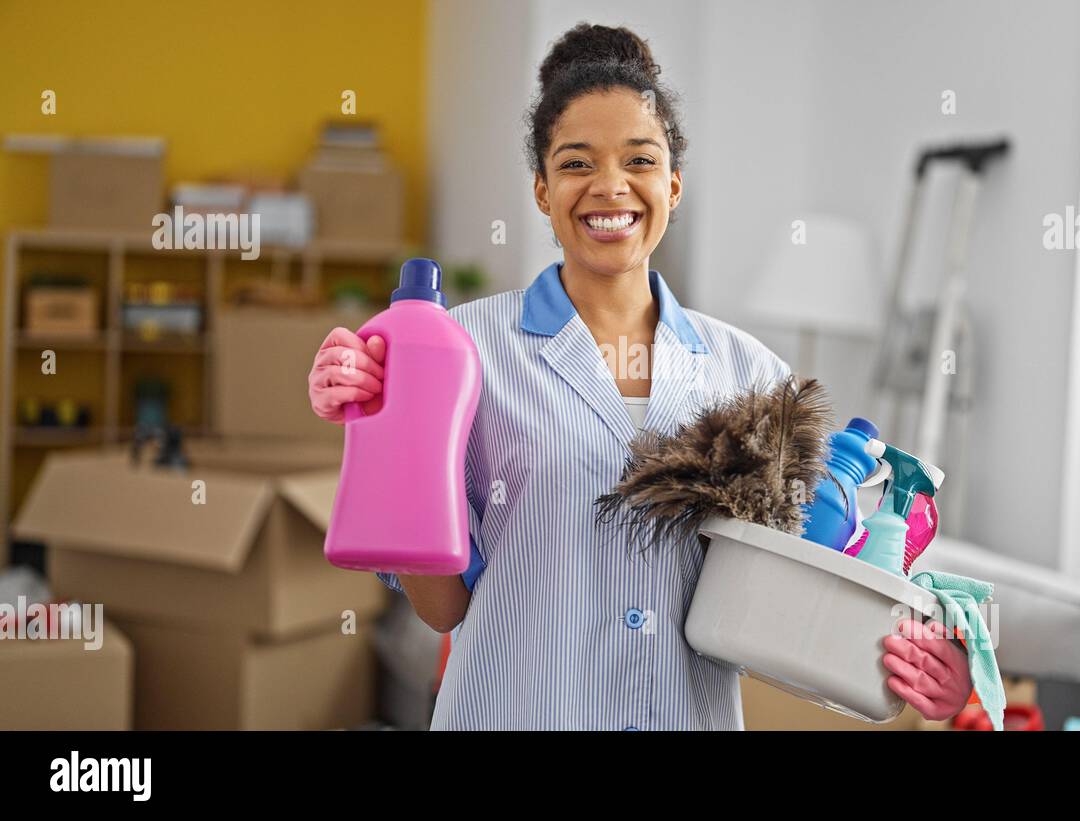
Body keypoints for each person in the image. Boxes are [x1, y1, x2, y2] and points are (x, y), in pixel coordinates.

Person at [307, 22, 971, 730]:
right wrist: (380, 414)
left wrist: (935, 659)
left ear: (674, 183)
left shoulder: (749, 375)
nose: (610, 186)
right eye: (575, 163)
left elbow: (832, 579)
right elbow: (444, 608)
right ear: (540, 188)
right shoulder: (460, 350)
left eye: (640, 160)